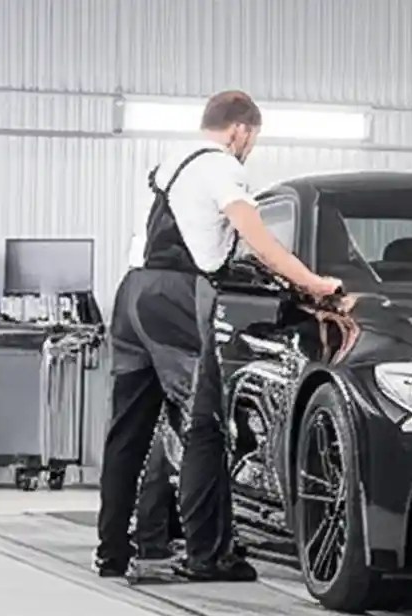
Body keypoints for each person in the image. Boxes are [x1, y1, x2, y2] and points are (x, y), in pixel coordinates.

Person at [95, 90, 341, 581]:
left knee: (129, 430)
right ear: (241, 130)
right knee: (203, 424)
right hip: (176, 297)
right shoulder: (222, 167)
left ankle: (112, 552)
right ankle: (208, 555)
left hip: (131, 295)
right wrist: (316, 285)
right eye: (253, 138)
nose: (250, 147)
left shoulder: (172, 163)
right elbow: (260, 239)